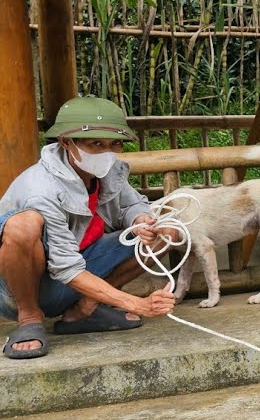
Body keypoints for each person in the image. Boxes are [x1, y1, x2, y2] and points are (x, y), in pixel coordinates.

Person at [0, 97, 176, 360]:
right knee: (21, 226)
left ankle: (85, 309)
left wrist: (141, 222)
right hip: (24, 285)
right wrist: (136, 303)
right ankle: (29, 318)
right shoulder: (41, 188)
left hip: (78, 267)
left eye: (114, 143)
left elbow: (131, 205)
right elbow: (66, 267)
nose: (107, 151)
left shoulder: (110, 171)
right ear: (66, 142)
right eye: (96, 143)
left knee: (167, 233)